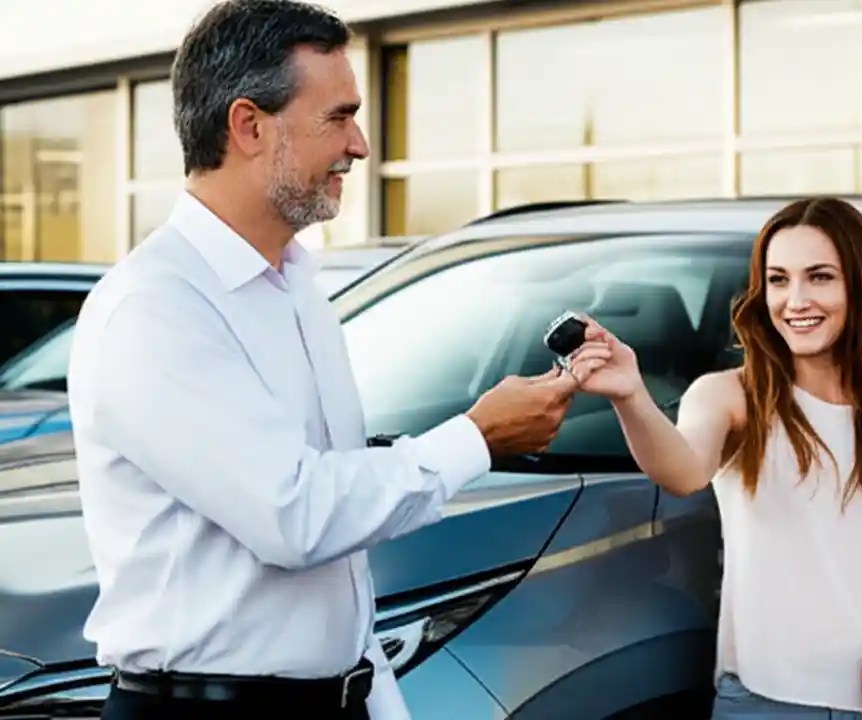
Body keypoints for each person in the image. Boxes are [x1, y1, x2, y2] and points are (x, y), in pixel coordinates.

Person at [65, 2, 578, 718]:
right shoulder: (155, 309)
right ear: (249, 126)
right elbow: (297, 515)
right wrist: (478, 438)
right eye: (337, 118)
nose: (361, 145)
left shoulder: (298, 286)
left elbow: (337, 560)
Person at [566, 197, 862, 719]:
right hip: (767, 705)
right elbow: (682, 471)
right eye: (779, 280)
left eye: (821, 277)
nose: (796, 299)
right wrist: (631, 395)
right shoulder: (731, 397)